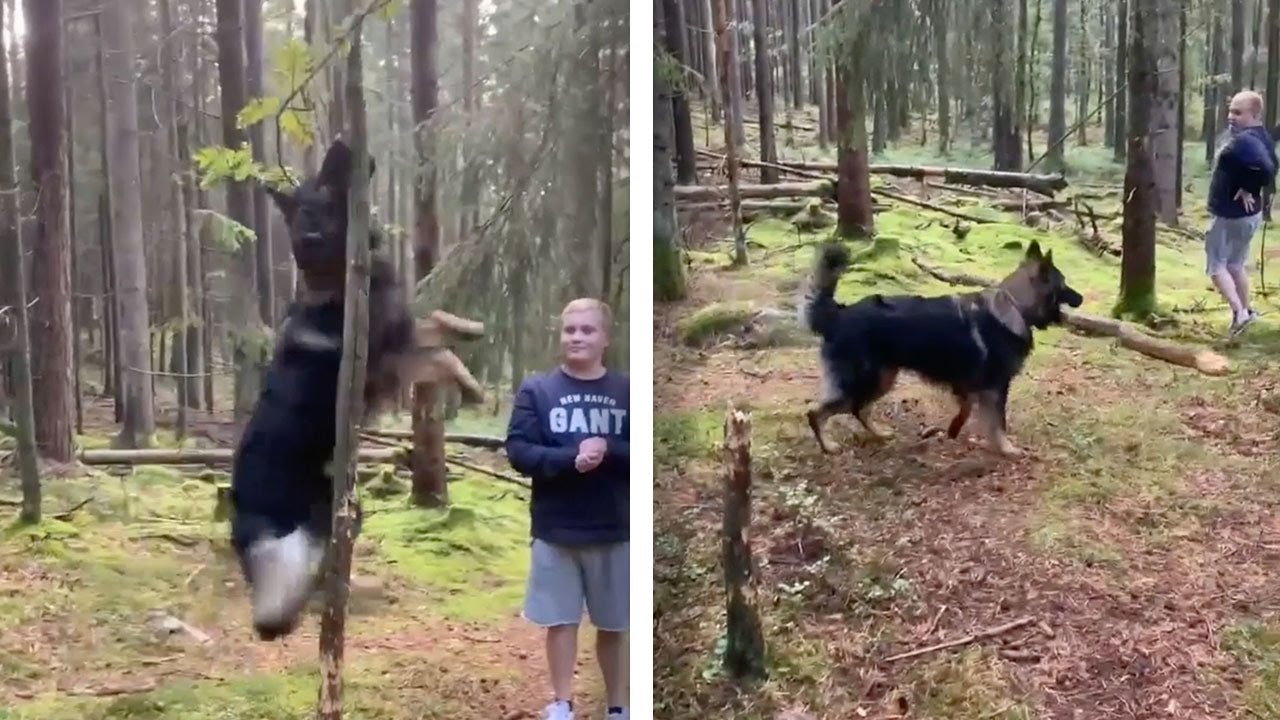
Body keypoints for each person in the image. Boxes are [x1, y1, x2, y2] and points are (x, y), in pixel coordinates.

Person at [505, 298, 630, 720]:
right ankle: (562, 703)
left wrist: (608, 450)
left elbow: (643, 454)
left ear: (605, 339)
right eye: (570, 330)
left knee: (614, 625)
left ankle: (618, 705)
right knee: (560, 623)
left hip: (615, 528)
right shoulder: (536, 390)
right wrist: (569, 460)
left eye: (587, 330)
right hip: (556, 528)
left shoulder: (627, 390)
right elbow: (519, 451)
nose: (576, 337)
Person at [1205, 90, 1279, 336]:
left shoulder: (1244, 141)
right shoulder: (1261, 137)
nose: (1231, 117)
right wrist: (1249, 187)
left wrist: (1248, 187)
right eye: (1230, 110)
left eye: (1238, 112)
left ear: (1254, 114)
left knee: (1216, 266)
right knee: (1236, 264)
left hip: (1229, 214)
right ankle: (1247, 310)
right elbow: (1272, 166)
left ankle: (1239, 313)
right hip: (1248, 214)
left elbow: (1268, 170)